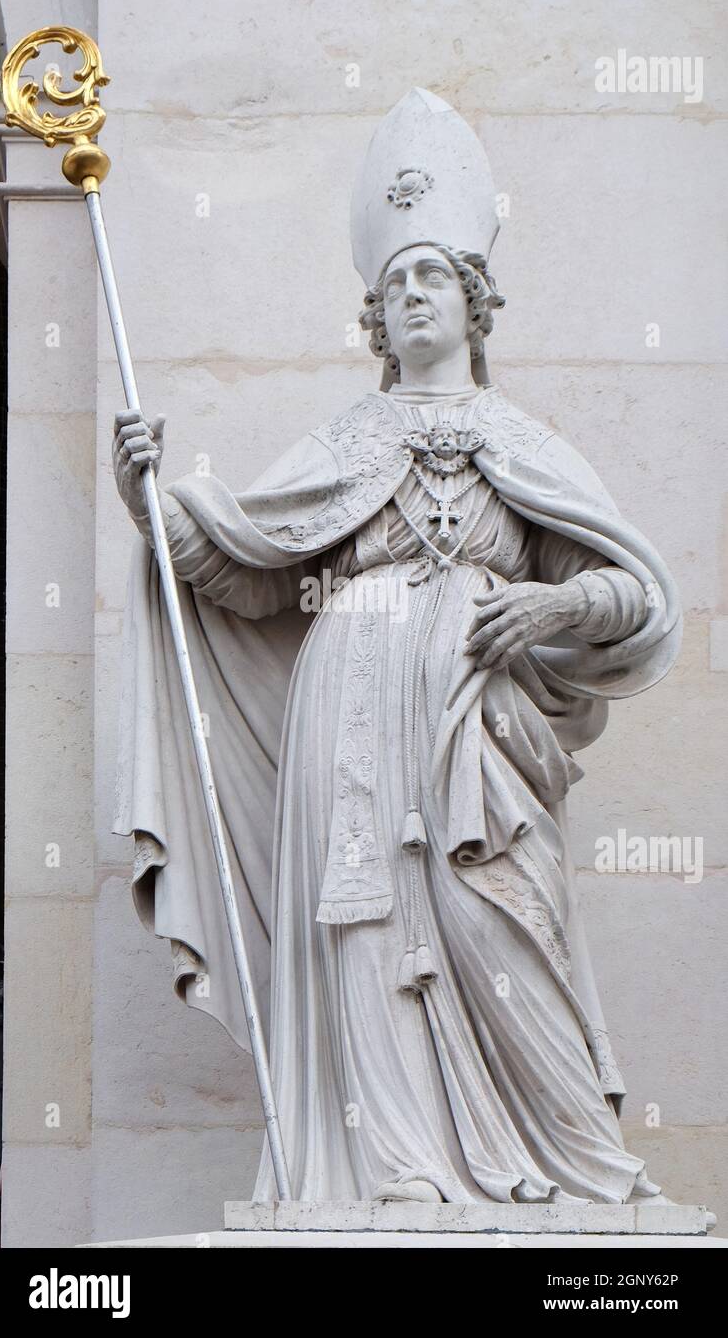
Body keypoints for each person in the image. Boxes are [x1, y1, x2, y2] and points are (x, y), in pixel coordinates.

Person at [112, 89, 682, 1205]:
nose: (412, 294)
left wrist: (549, 611)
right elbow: (242, 566)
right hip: (350, 720)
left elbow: (628, 590)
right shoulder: (347, 441)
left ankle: (566, 1170)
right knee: (361, 932)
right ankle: (385, 1176)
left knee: (505, 923)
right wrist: (149, 502)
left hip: (480, 731)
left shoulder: (524, 445)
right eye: (393, 283)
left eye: (432, 276)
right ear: (373, 317)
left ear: (473, 302)